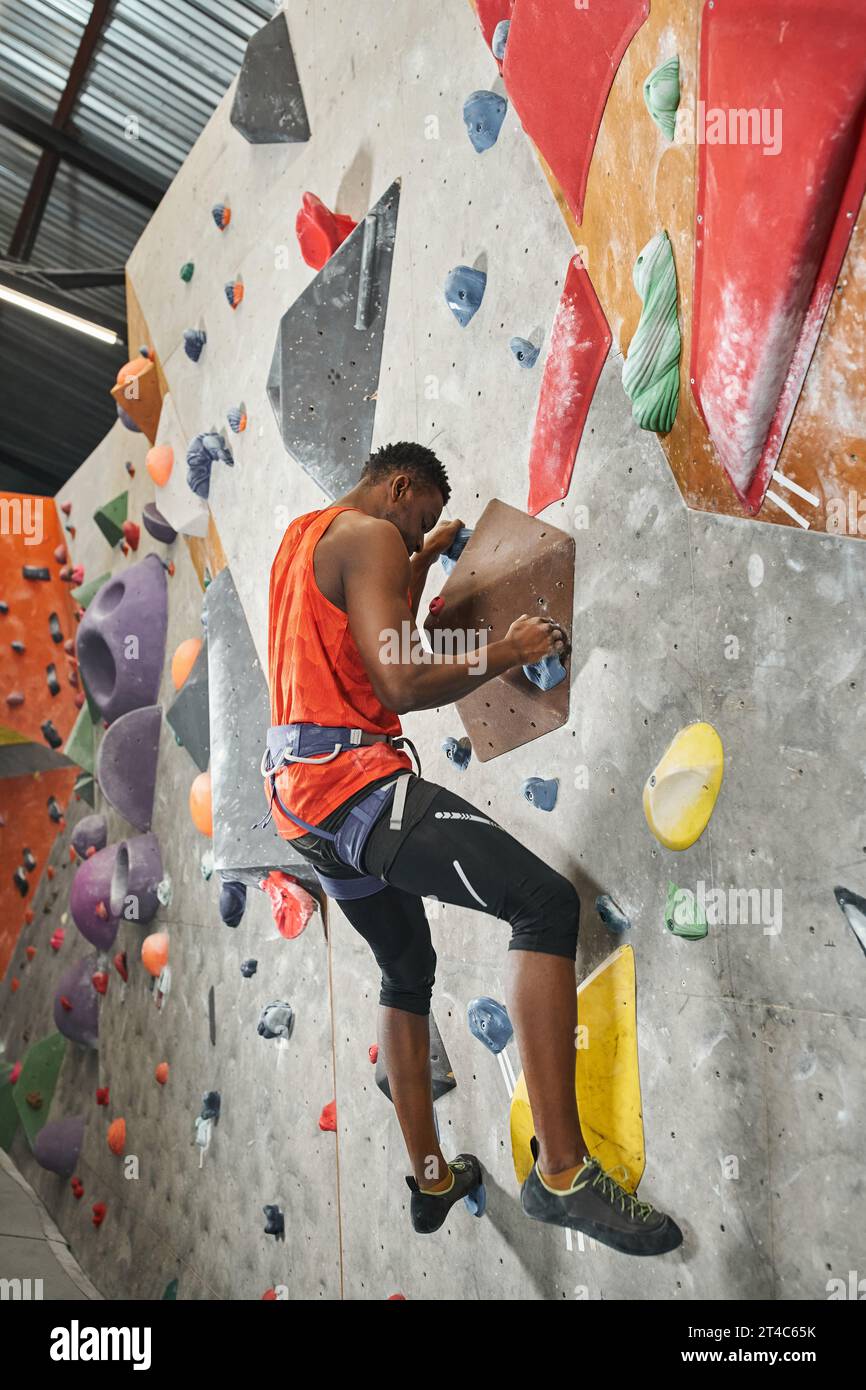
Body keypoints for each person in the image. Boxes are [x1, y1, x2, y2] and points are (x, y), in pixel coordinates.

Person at [265, 441, 682, 1255]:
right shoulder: (371, 533)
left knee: (406, 971)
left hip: (301, 811)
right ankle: (561, 1172)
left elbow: (362, 644)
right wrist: (511, 651)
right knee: (544, 903)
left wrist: (415, 566)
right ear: (400, 485)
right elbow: (402, 685)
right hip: (356, 791)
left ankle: (431, 1177)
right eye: (415, 518)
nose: (410, 535)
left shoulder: (302, 538)